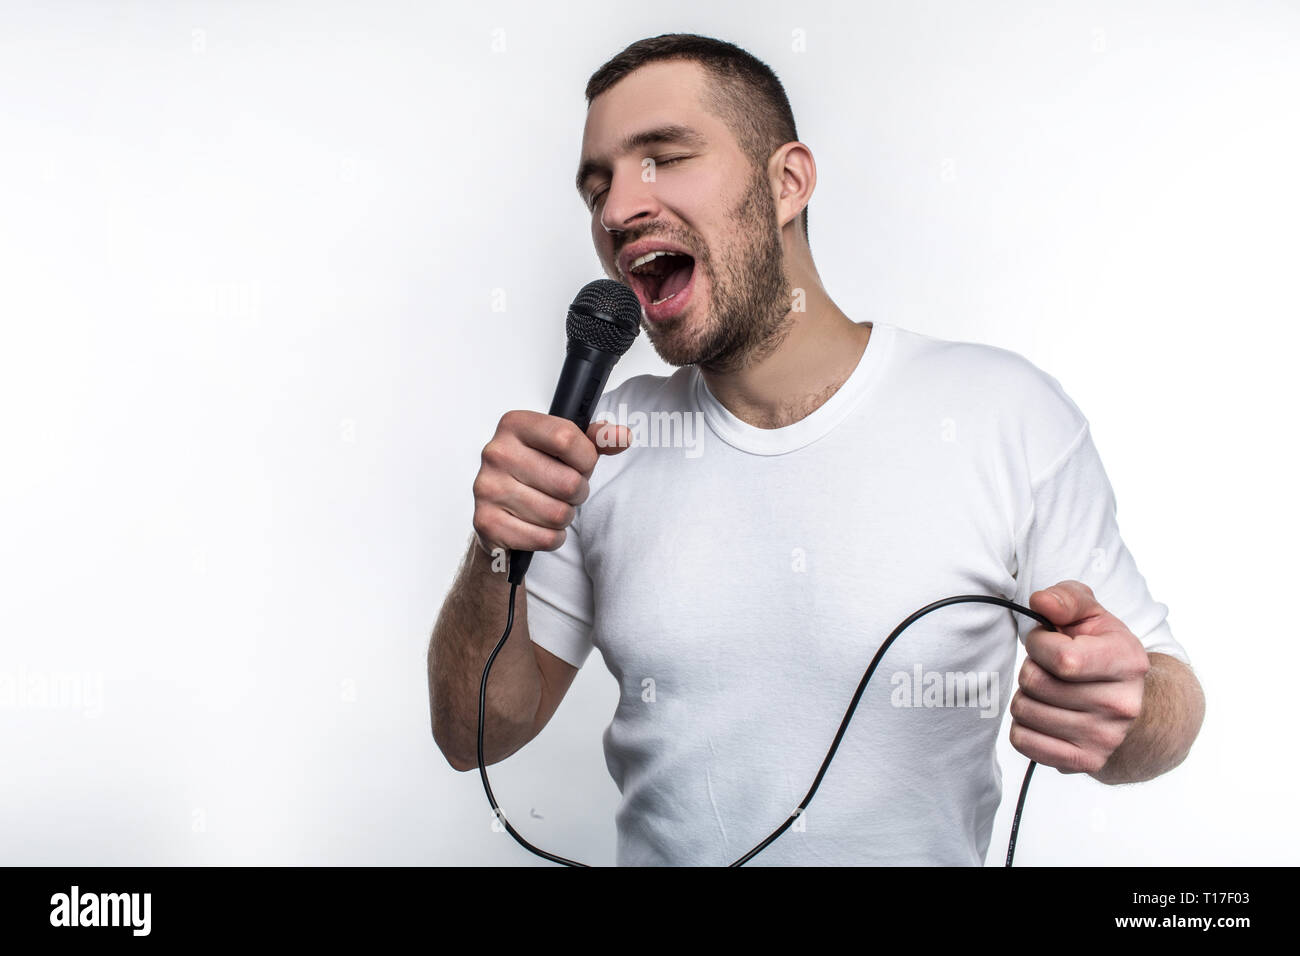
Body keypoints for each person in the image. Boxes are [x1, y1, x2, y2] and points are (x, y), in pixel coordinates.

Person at [428, 33, 1206, 866]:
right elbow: (474, 735)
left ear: (788, 181)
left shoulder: (1001, 412)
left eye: (662, 157)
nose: (617, 211)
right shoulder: (600, 448)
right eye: (597, 189)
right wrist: (494, 550)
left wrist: (1120, 703)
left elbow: (1167, 707)